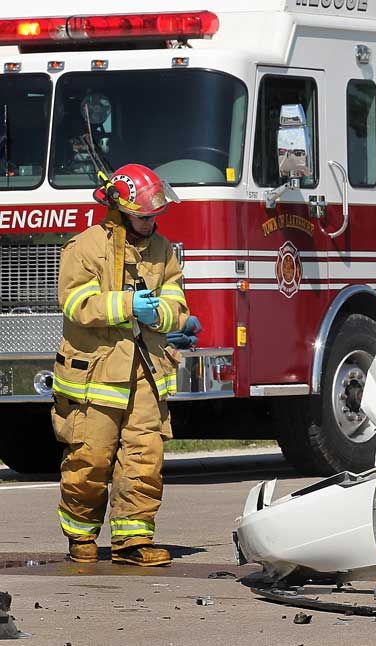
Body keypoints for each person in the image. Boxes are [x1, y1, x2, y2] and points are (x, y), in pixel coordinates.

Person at [52, 163, 190, 567]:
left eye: (155, 216)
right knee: (90, 458)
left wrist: (159, 314)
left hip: (145, 373)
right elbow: (76, 304)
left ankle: (133, 541)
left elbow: (178, 306)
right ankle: (80, 534)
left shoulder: (163, 250)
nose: (152, 222)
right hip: (96, 376)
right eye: (145, 216)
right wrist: (127, 305)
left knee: (144, 456)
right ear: (121, 210)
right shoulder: (85, 248)